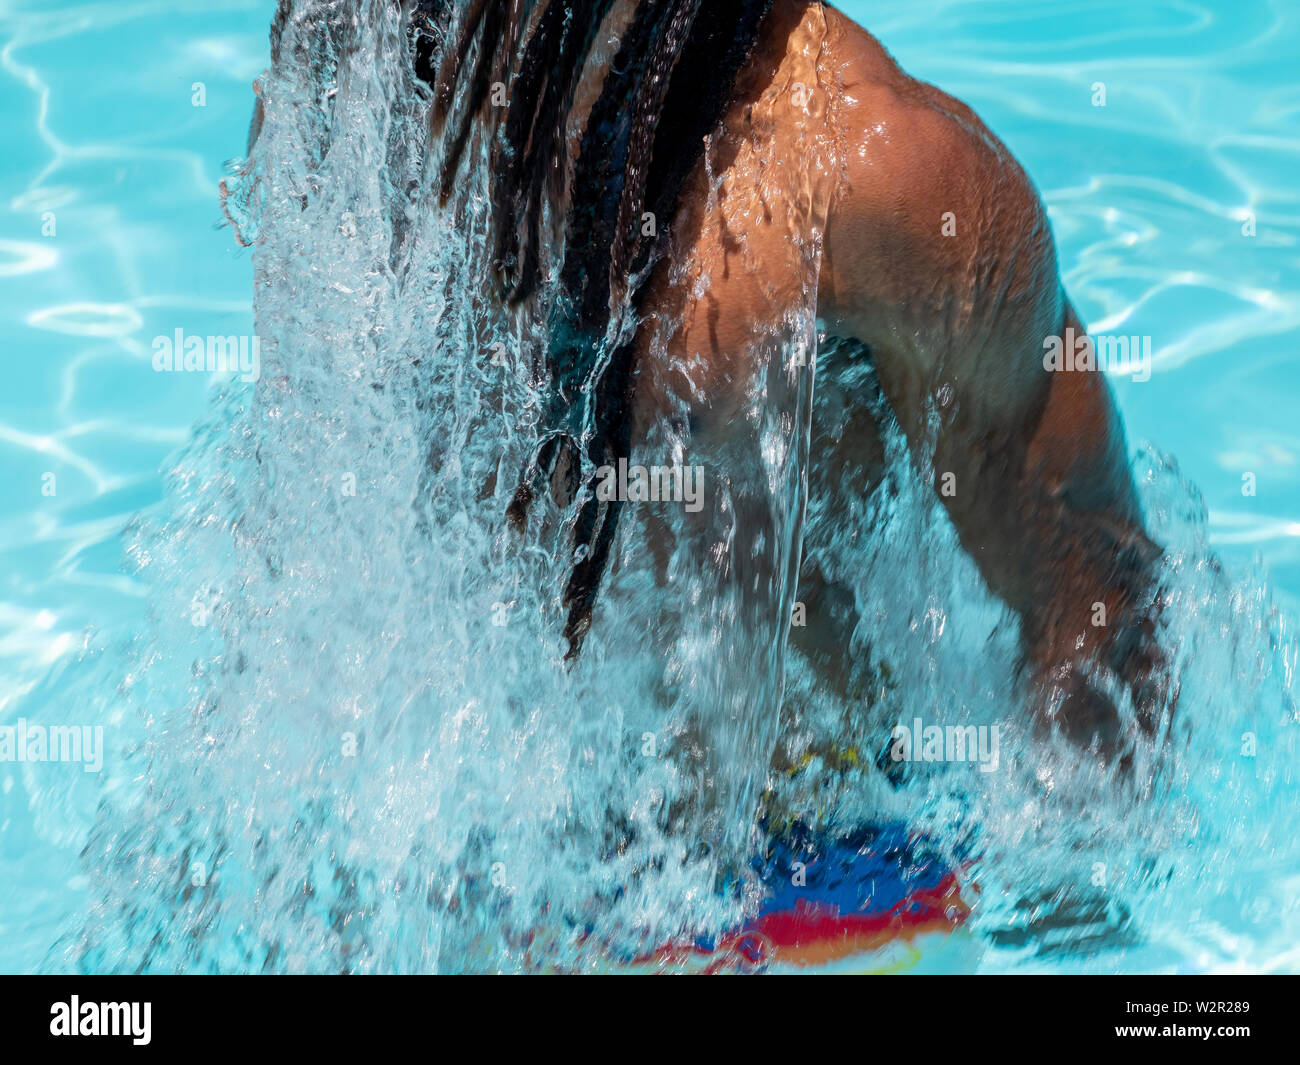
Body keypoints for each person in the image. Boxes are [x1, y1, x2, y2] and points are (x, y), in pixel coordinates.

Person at [401, 0, 1171, 755]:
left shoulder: (879, 178)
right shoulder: (374, 42)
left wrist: (1063, 884)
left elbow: (1102, 609)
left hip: (806, 840)